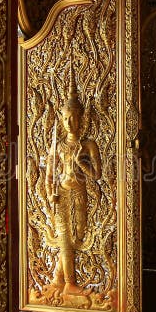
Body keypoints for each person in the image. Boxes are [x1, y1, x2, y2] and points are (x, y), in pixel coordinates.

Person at [44, 67, 102, 297]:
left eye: (73, 118)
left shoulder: (88, 145)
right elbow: (49, 174)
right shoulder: (57, 145)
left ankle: (58, 278)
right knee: (65, 237)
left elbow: (97, 175)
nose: (69, 122)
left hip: (79, 194)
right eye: (65, 118)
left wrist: (81, 164)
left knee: (77, 236)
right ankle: (70, 283)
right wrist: (50, 194)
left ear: (81, 119)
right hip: (61, 194)